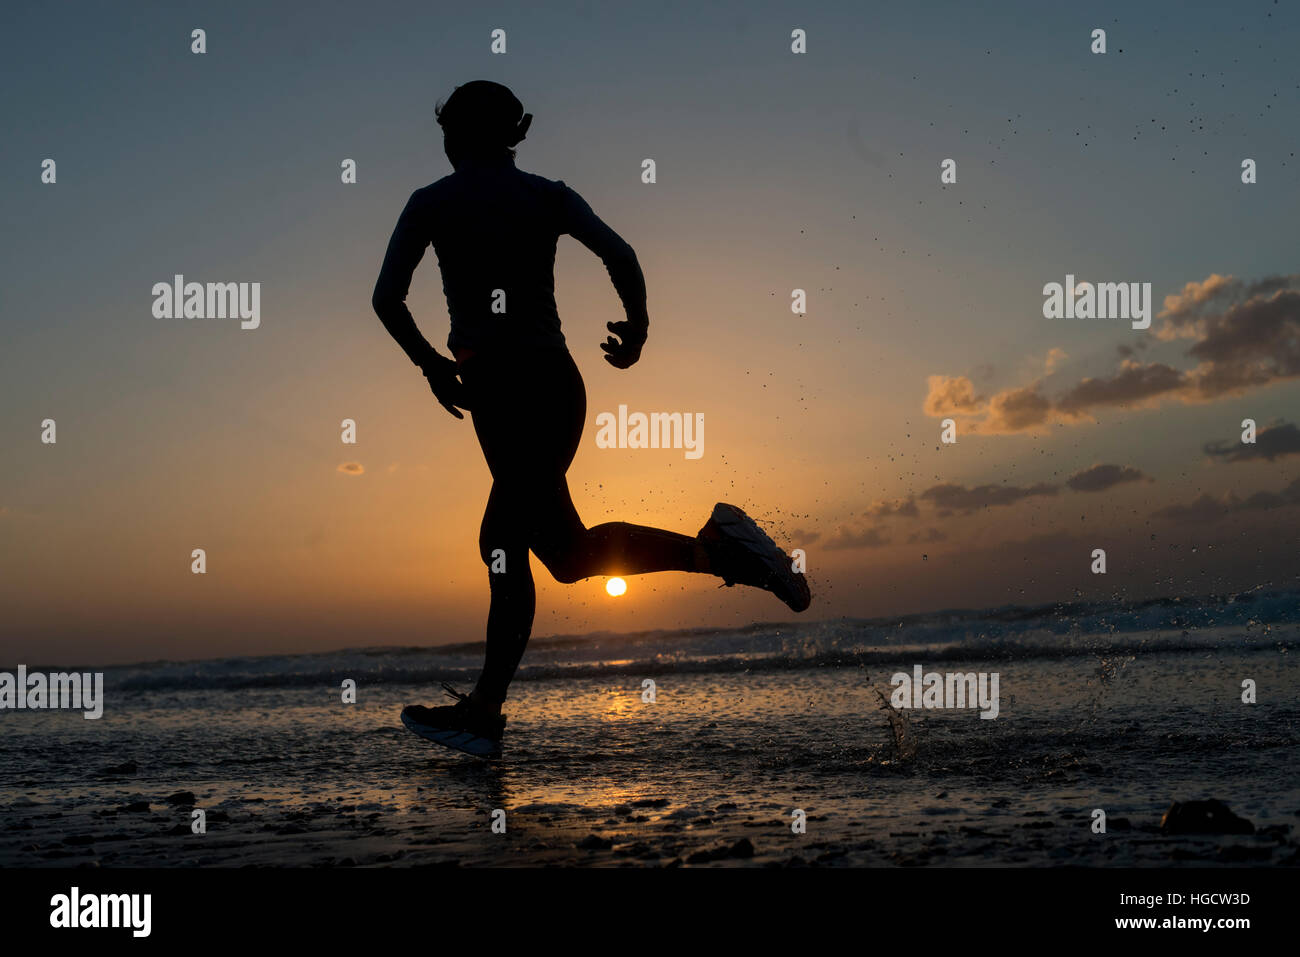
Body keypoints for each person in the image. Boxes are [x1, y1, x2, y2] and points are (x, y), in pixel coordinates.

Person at [371, 81, 810, 758]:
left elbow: (386, 298)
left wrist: (433, 364)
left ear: (454, 138)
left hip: (503, 391)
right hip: (555, 385)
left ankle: (485, 711)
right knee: (570, 556)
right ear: (513, 133)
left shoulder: (432, 202)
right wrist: (635, 327)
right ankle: (717, 549)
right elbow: (622, 255)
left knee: (499, 536)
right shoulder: (548, 195)